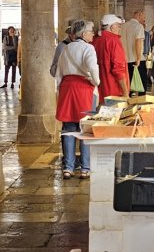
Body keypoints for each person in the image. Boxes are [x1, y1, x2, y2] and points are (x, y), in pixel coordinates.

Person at [56, 19, 99, 179]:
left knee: (68, 128)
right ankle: (85, 168)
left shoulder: (66, 48)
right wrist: (96, 82)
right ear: (83, 33)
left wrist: (61, 88)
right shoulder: (89, 48)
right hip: (83, 89)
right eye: (90, 31)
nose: (93, 33)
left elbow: (59, 72)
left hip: (67, 88)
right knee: (85, 128)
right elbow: (93, 68)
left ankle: (68, 167)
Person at [94, 14, 129, 99]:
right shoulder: (114, 41)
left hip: (99, 89)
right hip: (114, 89)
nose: (119, 28)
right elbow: (118, 68)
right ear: (112, 26)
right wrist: (125, 92)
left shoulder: (95, 40)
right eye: (119, 26)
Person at [122, 9, 147, 96]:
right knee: (141, 87)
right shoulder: (138, 26)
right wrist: (139, 59)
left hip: (124, 60)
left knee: (128, 87)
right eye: (143, 17)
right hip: (136, 60)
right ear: (139, 15)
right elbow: (138, 42)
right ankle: (140, 106)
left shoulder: (123, 26)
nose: (143, 20)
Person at [49, 22, 76, 87]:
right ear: (70, 34)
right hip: (65, 83)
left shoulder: (80, 46)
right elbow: (53, 71)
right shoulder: (61, 46)